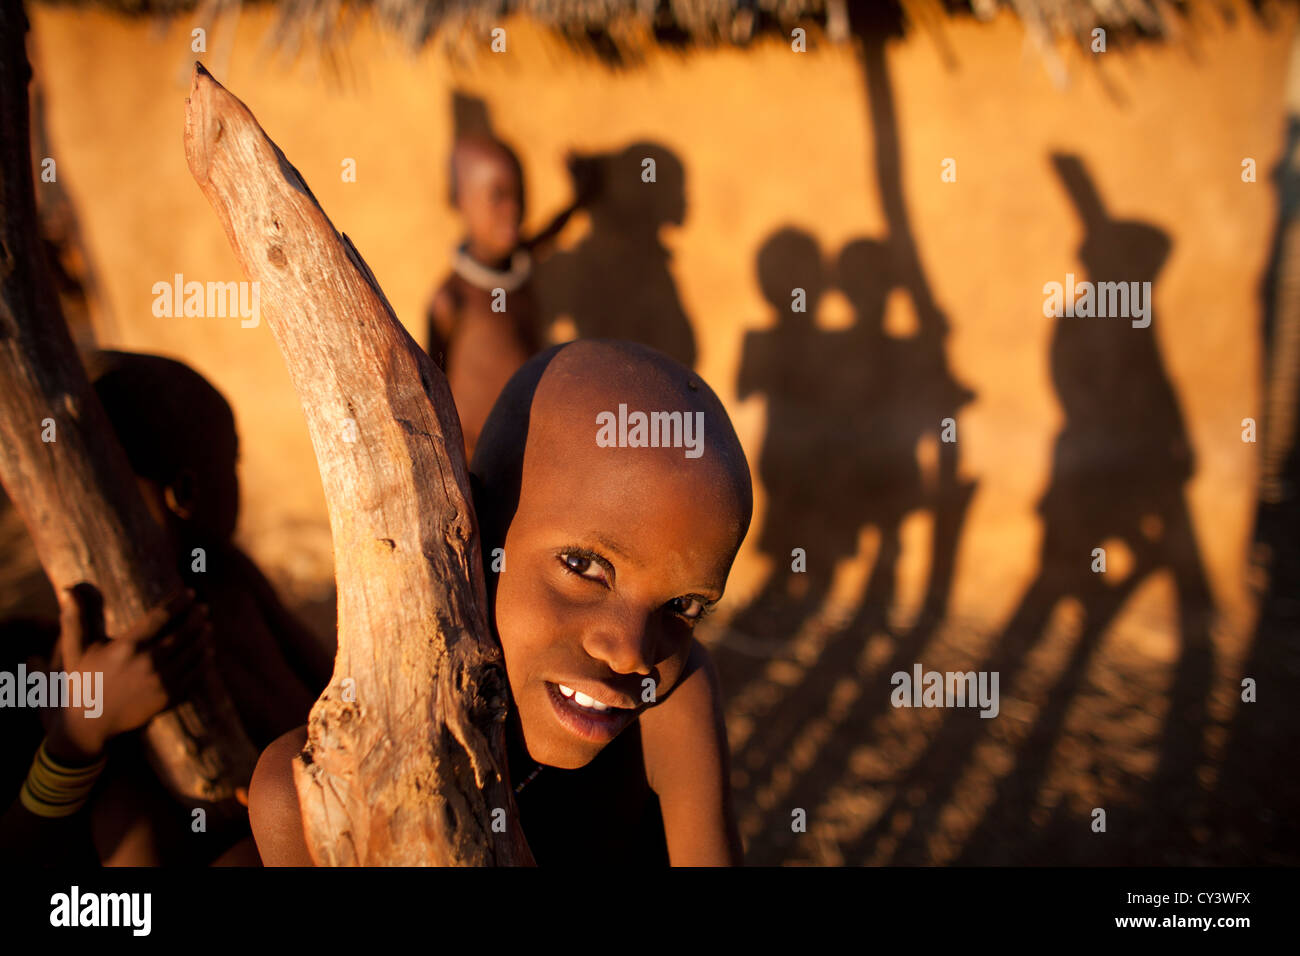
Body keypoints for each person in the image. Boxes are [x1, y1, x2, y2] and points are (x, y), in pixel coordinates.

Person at [251, 340, 752, 865]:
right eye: (584, 566)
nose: (631, 653)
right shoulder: (318, 797)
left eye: (684, 605)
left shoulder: (672, 706)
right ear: (469, 523)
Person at [0, 351, 333, 865]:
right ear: (187, 492)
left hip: (318, 790)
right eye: (234, 462)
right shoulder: (101, 653)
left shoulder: (230, 572)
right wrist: (80, 736)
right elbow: (128, 833)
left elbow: (326, 670)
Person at [425, 135, 594, 460]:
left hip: (533, 453)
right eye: (497, 196)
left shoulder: (519, 264)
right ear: (459, 199)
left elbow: (549, 233)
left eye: (519, 194)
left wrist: (579, 200)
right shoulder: (452, 301)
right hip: (478, 464)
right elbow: (429, 387)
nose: (513, 208)